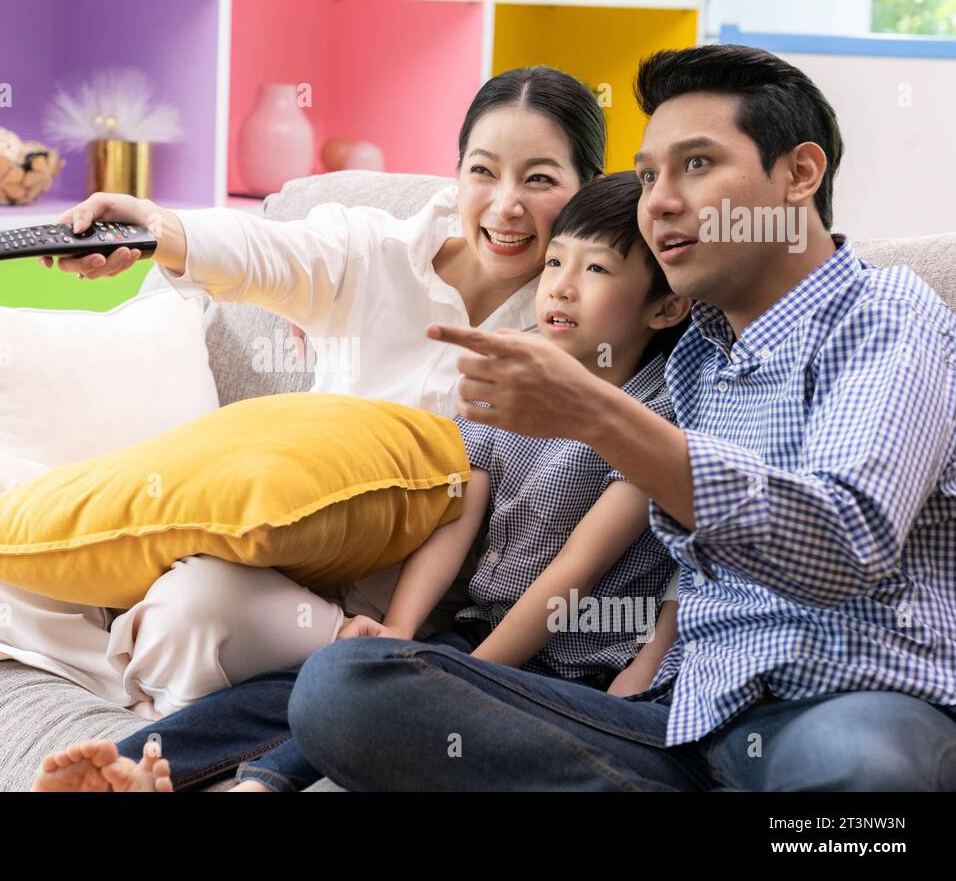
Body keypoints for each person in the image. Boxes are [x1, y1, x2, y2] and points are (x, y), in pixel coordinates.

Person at [277, 44, 956, 791]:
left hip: (848, 700)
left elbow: (845, 538)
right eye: (647, 176)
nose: (659, 201)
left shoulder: (885, 314)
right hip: (679, 726)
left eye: (696, 166)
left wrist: (598, 416)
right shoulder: (694, 355)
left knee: (860, 771)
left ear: (799, 174)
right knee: (348, 689)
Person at [0, 66, 606, 717]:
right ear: (456, 176)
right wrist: (157, 232)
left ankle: (131, 640)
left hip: (329, 603)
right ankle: (108, 673)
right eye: (484, 172)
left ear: (588, 190)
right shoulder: (375, 252)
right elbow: (267, 252)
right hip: (219, 518)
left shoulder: (578, 335)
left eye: (540, 180)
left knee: (192, 607)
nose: (507, 205)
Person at [31, 171, 694, 791]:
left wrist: (460, 675)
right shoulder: (514, 368)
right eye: (556, 262)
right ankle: (133, 766)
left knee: (372, 695)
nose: (563, 286)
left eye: (597, 269)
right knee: (321, 677)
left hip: (569, 665)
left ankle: (263, 781)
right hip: (473, 632)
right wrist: (403, 632)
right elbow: (459, 507)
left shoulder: (653, 414)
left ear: (664, 309)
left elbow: (572, 576)